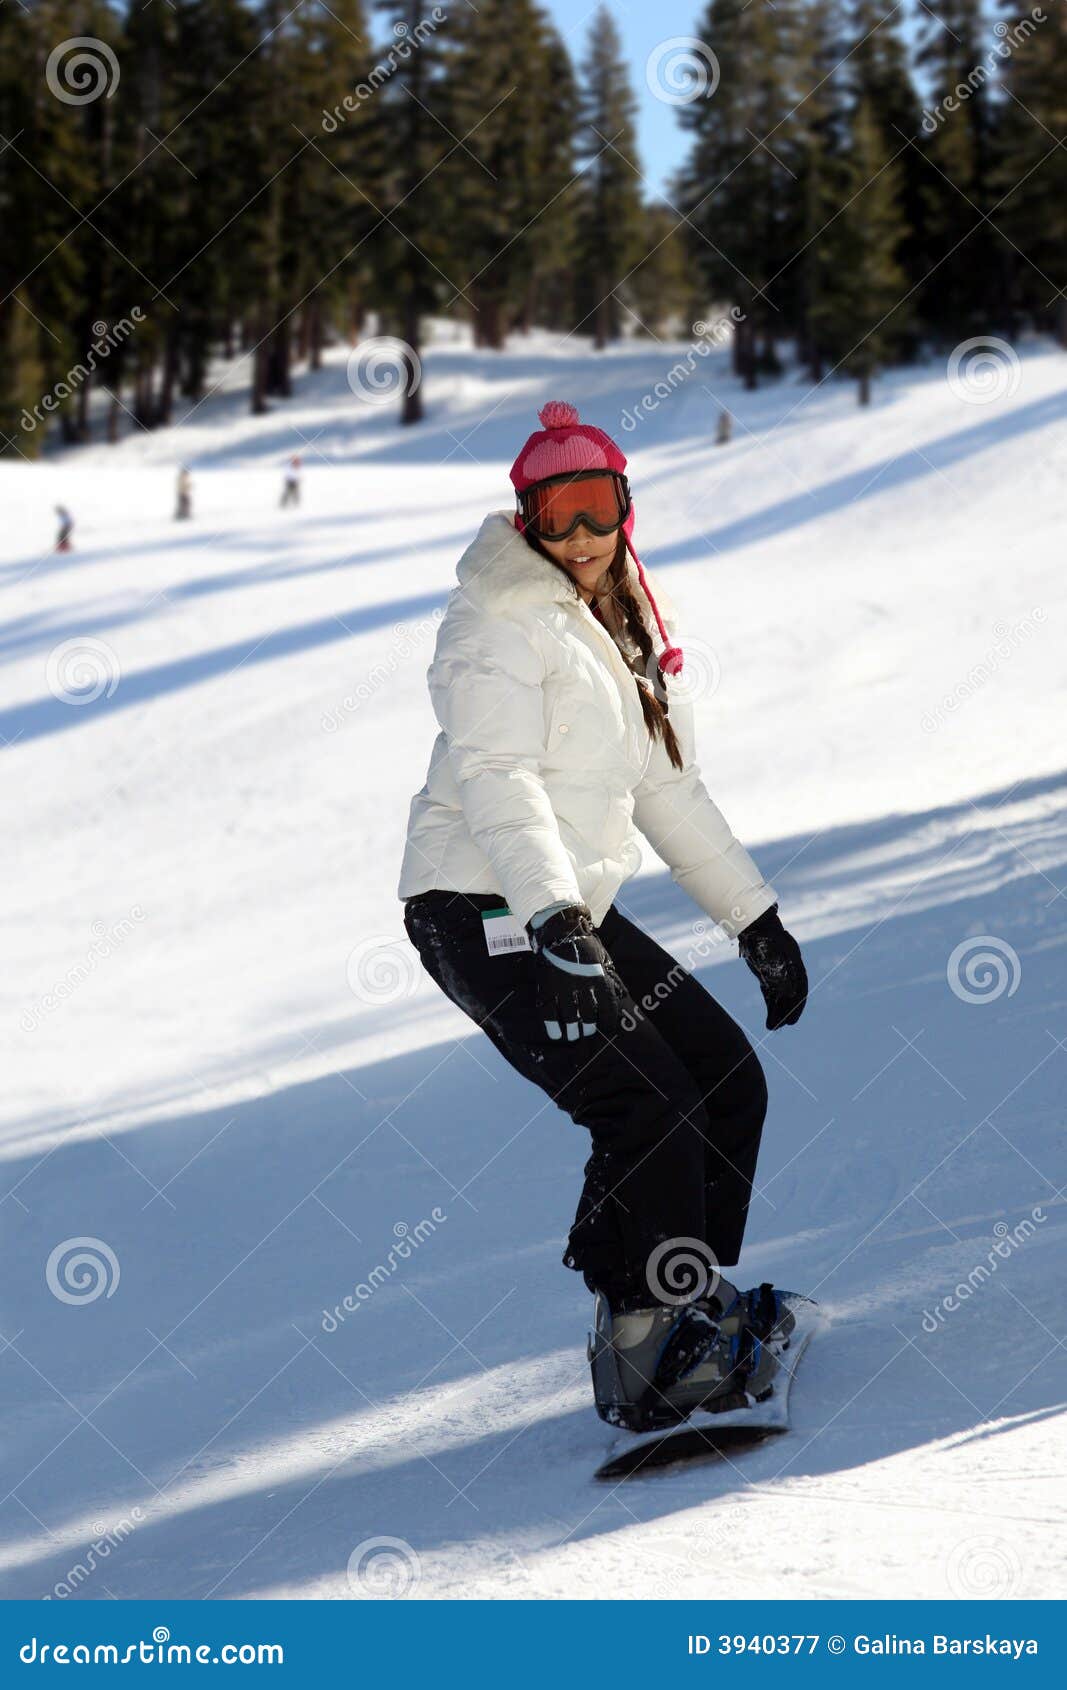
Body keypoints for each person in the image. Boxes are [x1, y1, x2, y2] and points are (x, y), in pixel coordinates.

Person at [397, 401, 808, 1432]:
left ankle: (680, 1299)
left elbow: (663, 789)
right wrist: (551, 922)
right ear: (524, 519)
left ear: (624, 508)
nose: (579, 535)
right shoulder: (494, 617)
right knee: (646, 1104)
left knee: (721, 1081)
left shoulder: (612, 617)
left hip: (566, 905)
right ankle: (645, 1342)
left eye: (597, 508)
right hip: (482, 905)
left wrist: (752, 918)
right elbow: (496, 779)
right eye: (555, 512)